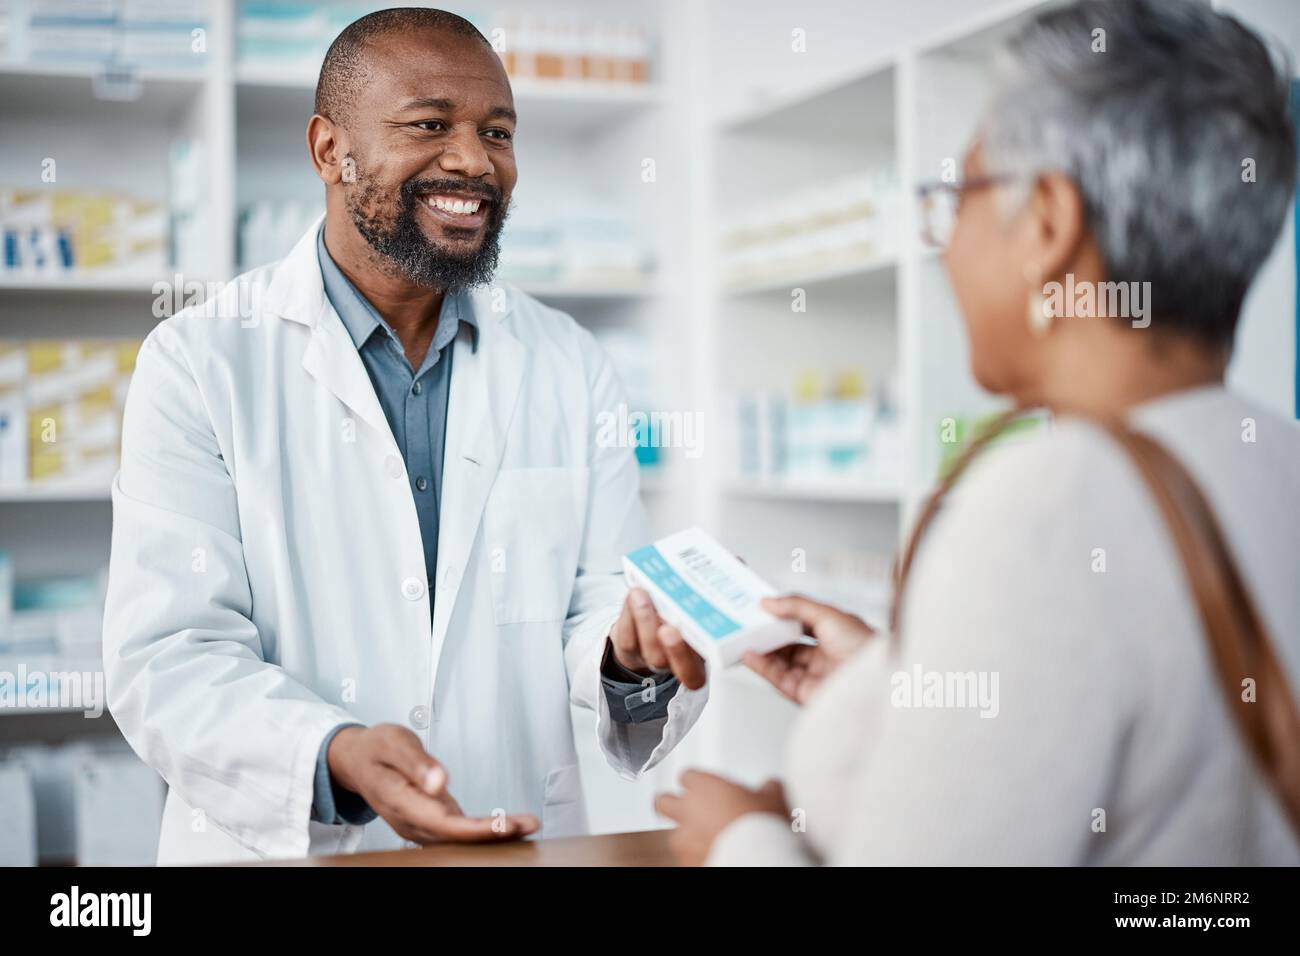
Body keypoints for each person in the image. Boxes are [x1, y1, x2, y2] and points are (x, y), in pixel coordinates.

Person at [655, 0, 1300, 866]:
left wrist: (739, 839)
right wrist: (893, 686)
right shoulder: (1276, 456)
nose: (946, 242)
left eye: (956, 195)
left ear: (1047, 226)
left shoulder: (1047, 503)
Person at [102, 8, 708, 863]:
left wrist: (627, 654)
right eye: (430, 124)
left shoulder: (569, 361)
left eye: (497, 131)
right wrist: (332, 752)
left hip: (513, 835)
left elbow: (596, 601)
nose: (473, 160)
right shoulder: (200, 361)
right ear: (328, 151)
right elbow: (169, 654)